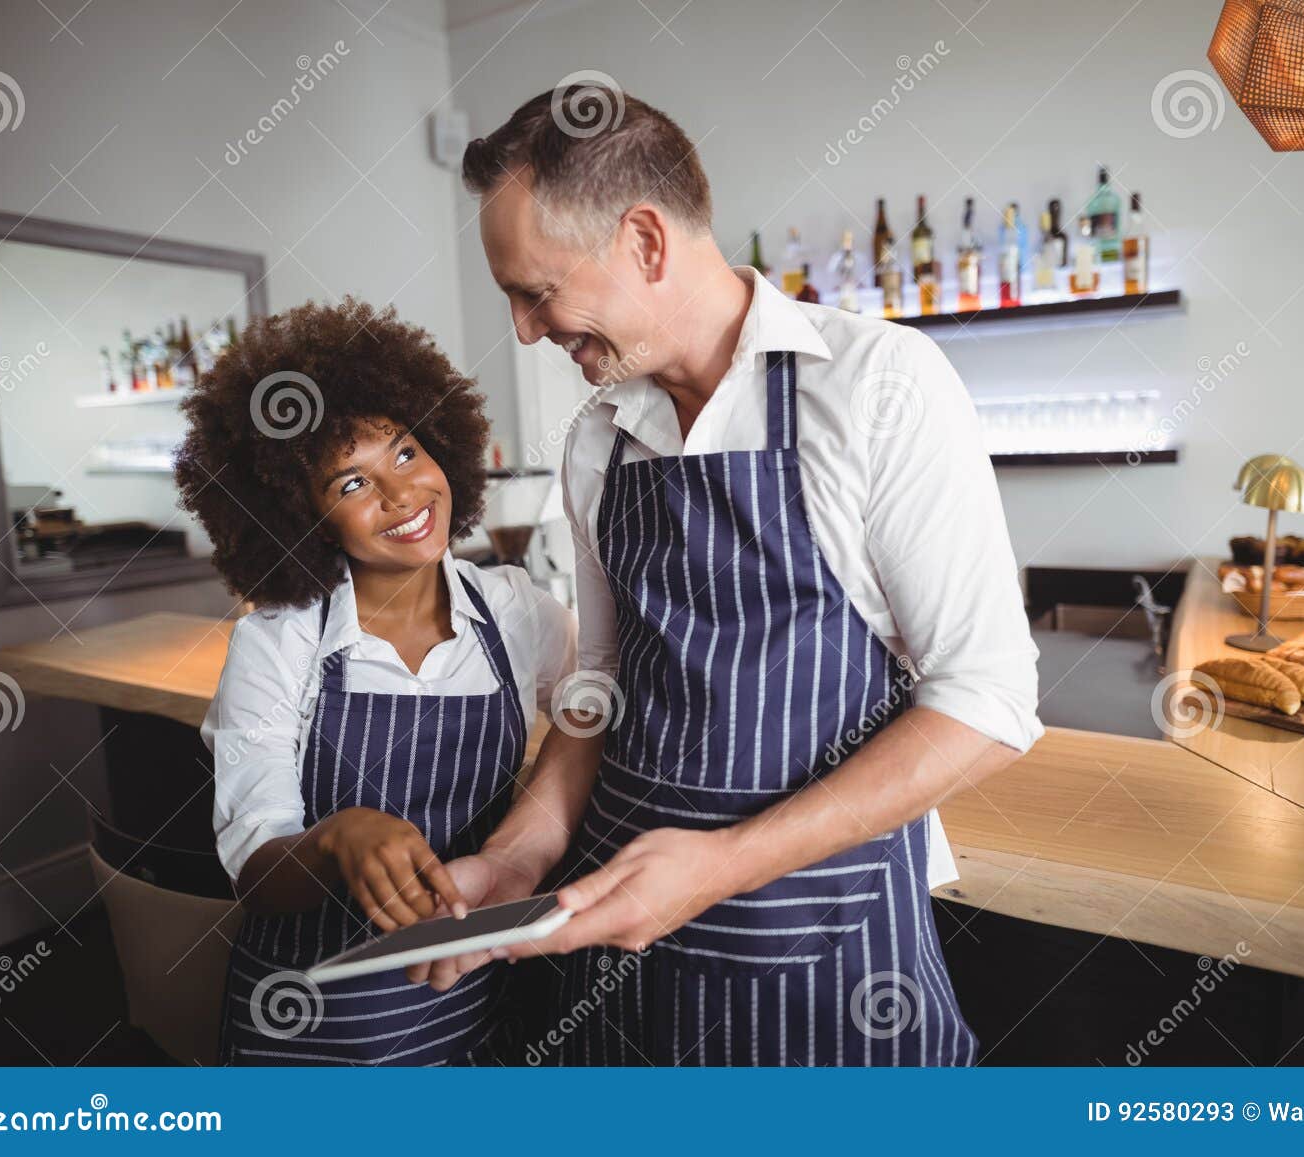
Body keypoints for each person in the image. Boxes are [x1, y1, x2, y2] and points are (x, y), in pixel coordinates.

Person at [417, 87, 1043, 1066]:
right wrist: (519, 851)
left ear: (646, 240)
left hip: (823, 957)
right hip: (620, 954)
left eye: (535, 290)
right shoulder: (597, 441)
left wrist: (720, 864)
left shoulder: (878, 385)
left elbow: (987, 704)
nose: (527, 330)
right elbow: (600, 695)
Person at [176, 297, 576, 1065]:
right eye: (350, 484)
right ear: (301, 515)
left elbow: (598, 710)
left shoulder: (516, 611)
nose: (400, 495)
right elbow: (257, 869)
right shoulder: (277, 641)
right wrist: (336, 836)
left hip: (475, 1000)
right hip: (315, 1026)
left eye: (404, 452)